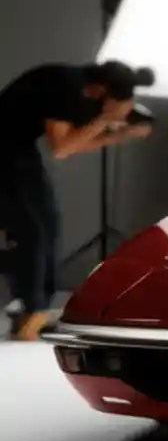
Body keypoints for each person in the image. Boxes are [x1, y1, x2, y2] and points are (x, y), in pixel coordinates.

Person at [0, 60, 153, 340]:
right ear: (102, 92)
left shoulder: (85, 92)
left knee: (48, 222)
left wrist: (121, 132)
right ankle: (32, 308)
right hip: (4, 151)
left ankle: (38, 307)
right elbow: (62, 148)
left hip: (19, 150)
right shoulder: (63, 87)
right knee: (31, 230)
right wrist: (105, 120)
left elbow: (75, 142)